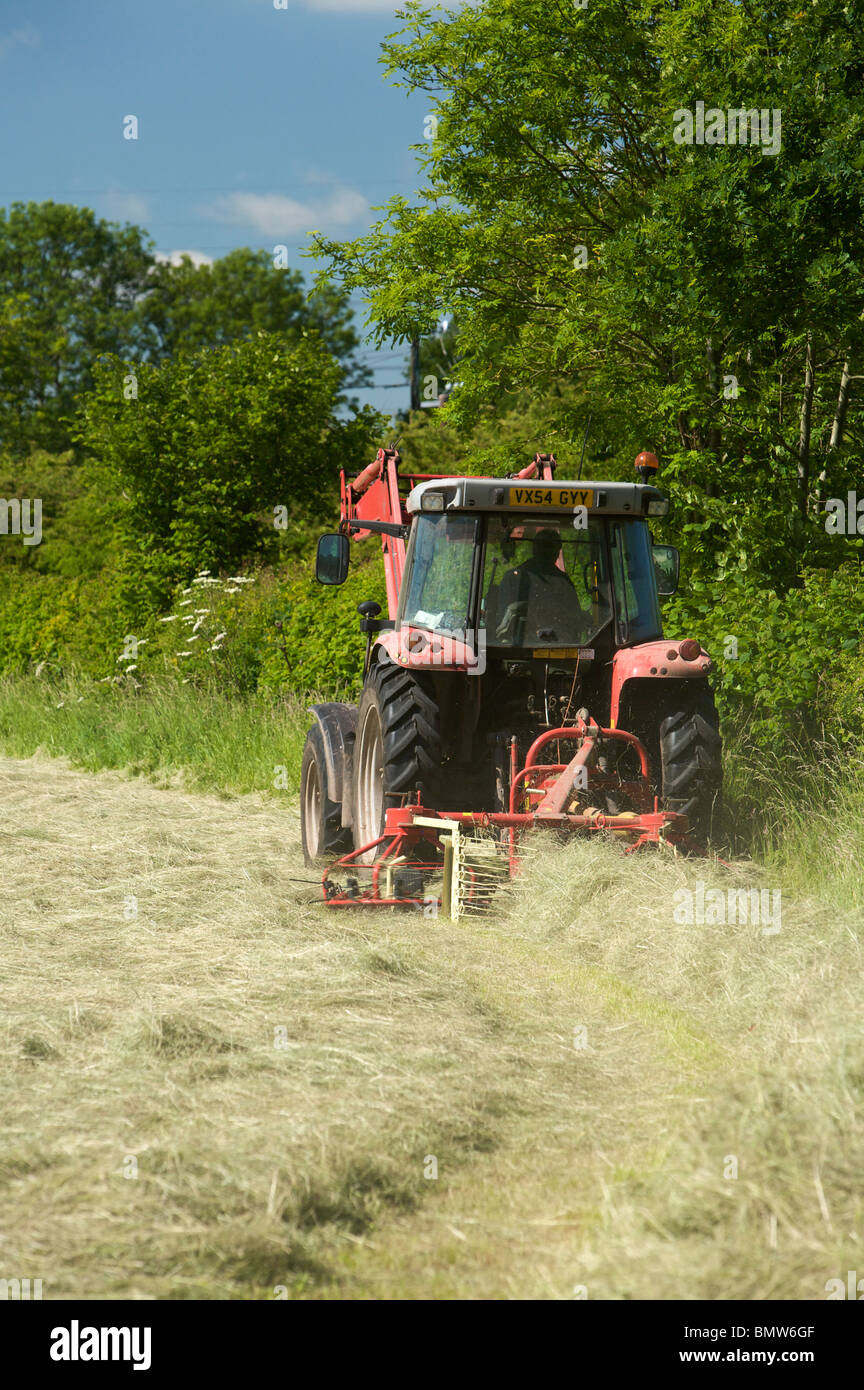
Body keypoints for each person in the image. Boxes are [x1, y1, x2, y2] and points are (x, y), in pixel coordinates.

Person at [494, 528, 585, 643]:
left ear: (534, 549)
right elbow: (575, 622)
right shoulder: (563, 582)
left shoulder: (513, 577)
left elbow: (500, 621)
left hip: (516, 647)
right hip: (557, 648)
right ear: (557, 552)